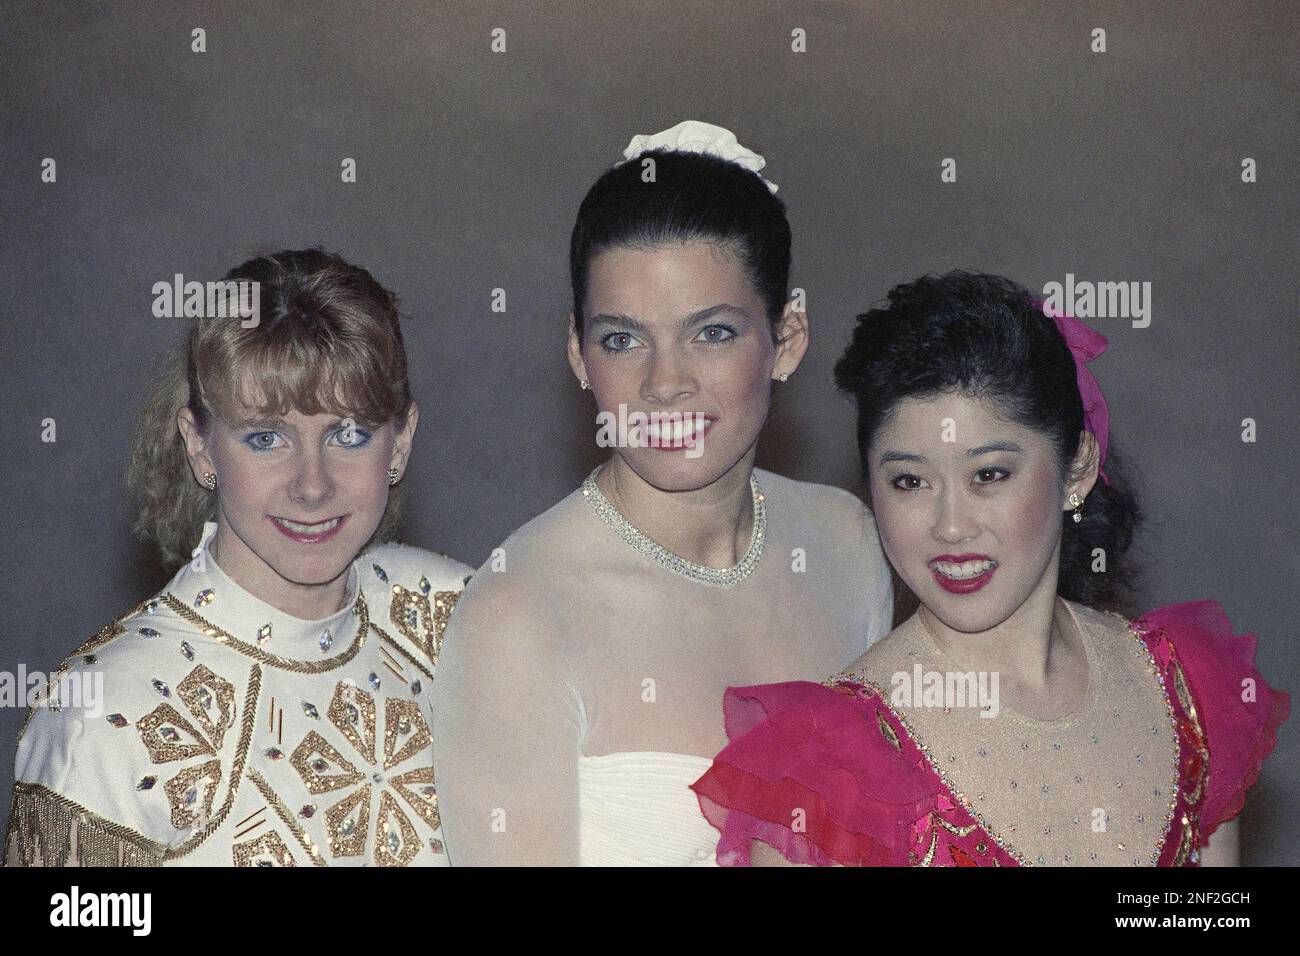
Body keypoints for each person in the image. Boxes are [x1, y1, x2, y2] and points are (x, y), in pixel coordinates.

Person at [692, 271, 1289, 866]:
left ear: (1076, 469)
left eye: (989, 475)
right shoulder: (826, 771)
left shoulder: (1187, 692)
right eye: (909, 481)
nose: (950, 526)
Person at [430, 121, 894, 865]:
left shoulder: (845, 541)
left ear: (790, 338)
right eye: (622, 339)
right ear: (579, 355)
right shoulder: (519, 612)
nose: (664, 384)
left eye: (711, 333)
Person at [4, 249, 471, 866]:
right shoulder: (104, 714)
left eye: (348, 435)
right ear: (199, 445)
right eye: (265, 437)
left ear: (401, 441)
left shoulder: (453, 613)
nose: (312, 484)